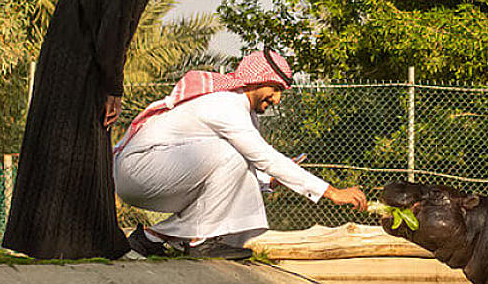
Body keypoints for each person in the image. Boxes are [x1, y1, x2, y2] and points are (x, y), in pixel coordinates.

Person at [2, 0, 200, 259]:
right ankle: (76, 242)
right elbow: (113, 31)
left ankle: (51, 241)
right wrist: (113, 88)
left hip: (68, 62)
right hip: (82, 66)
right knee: (77, 147)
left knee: (66, 146)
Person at [112, 48, 367, 259]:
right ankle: (199, 242)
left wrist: (270, 181)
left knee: (239, 160)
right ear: (255, 81)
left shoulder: (244, 112)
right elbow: (262, 157)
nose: (277, 100)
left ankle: (151, 239)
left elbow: (234, 173)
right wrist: (332, 192)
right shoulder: (227, 104)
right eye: (274, 89)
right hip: (138, 170)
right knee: (237, 153)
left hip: (157, 172)